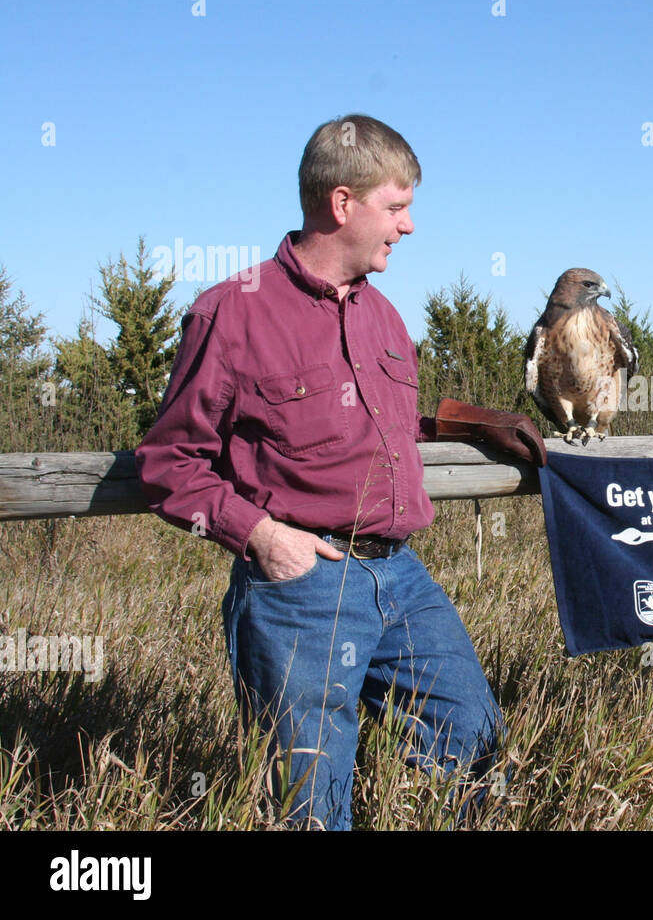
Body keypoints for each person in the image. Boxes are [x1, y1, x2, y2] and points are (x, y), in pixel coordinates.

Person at [135, 114, 547, 830]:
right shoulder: (231, 313)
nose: (409, 226)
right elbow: (169, 463)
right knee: (309, 803)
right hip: (304, 585)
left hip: (402, 578)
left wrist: (474, 422)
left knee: (475, 748)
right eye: (396, 207)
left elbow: (369, 426)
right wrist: (263, 537)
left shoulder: (383, 315)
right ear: (342, 204)